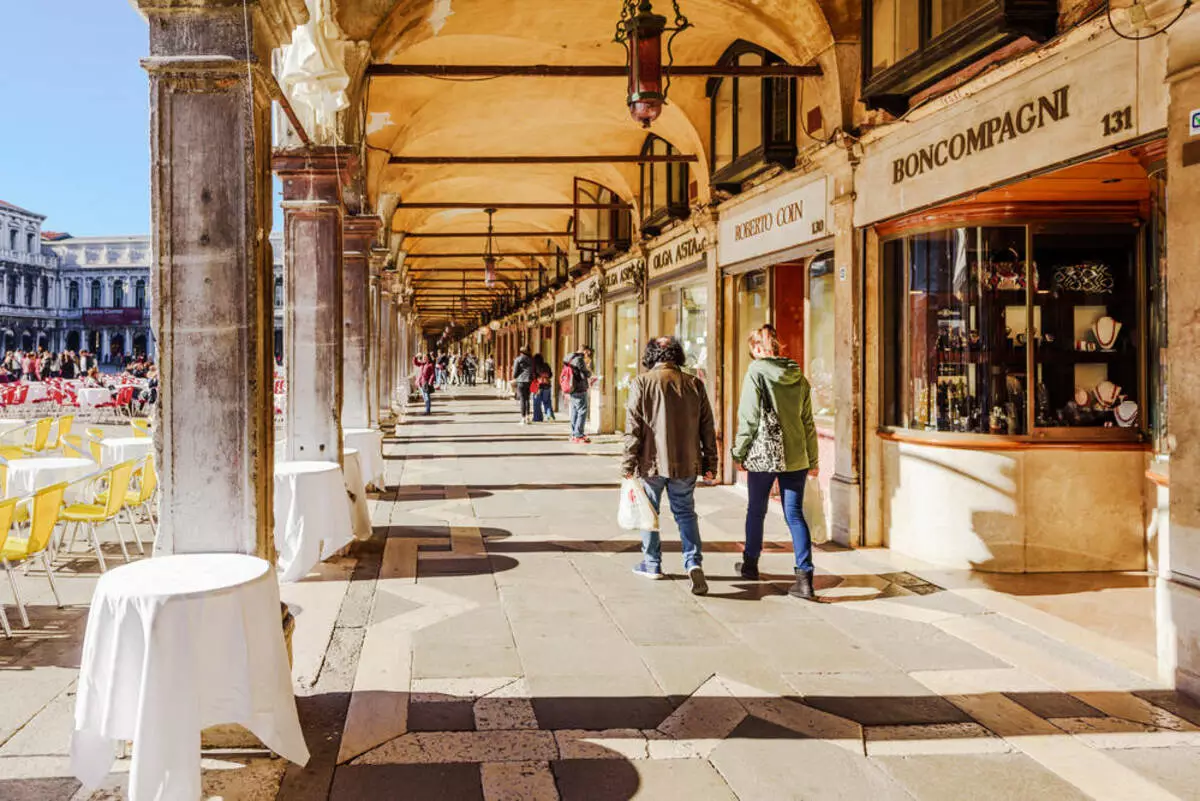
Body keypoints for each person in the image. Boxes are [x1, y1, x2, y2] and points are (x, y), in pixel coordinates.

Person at [730, 325, 821, 601]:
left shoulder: (756, 372)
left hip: (764, 456)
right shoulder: (798, 376)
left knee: (756, 510)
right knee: (794, 514)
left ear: (758, 349)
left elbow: (748, 417)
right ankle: (805, 579)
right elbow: (808, 422)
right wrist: (813, 459)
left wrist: (738, 452)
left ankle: (750, 565)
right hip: (797, 456)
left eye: (752, 350)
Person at [622, 336, 717, 595]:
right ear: (677, 355)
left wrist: (628, 463)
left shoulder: (641, 383)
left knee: (649, 513)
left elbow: (634, 428)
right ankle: (693, 562)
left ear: (651, 356)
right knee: (686, 513)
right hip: (686, 462)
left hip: (651, 462)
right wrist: (711, 462)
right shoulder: (694, 383)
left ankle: (652, 563)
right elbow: (707, 427)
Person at [563, 346, 593, 444]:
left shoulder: (569, 358)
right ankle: (578, 434)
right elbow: (585, 373)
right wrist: (589, 370)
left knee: (575, 411)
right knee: (582, 411)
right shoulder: (579, 359)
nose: (587, 355)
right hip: (579, 388)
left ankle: (574, 433)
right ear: (585, 351)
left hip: (572, 388)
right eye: (588, 353)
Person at [511, 346, 534, 424]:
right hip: (529, 380)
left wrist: (515, 376)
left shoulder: (518, 359)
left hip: (521, 381)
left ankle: (523, 418)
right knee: (527, 399)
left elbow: (514, 373)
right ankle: (528, 417)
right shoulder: (531, 359)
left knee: (522, 399)